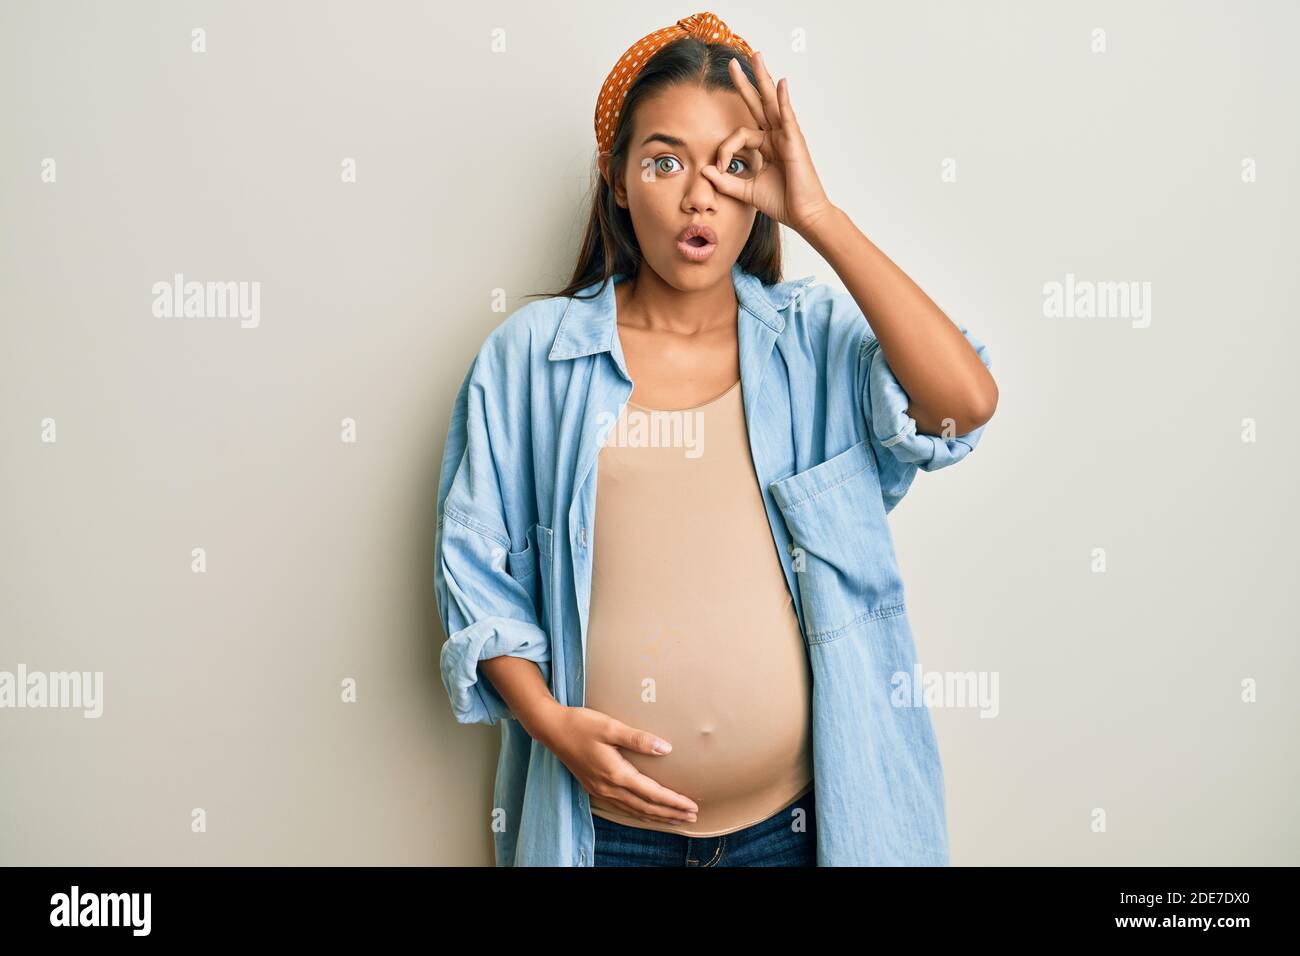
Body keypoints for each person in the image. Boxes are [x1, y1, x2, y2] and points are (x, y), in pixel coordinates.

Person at [434, 11, 998, 867]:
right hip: (604, 834)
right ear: (617, 181)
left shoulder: (813, 343)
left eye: (734, 165)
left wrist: (819, 215)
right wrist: (551, 726)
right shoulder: (532, 358)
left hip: (804, 831)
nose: (700, 195)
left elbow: (964, 403)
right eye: (664, 161)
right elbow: (476, 575)